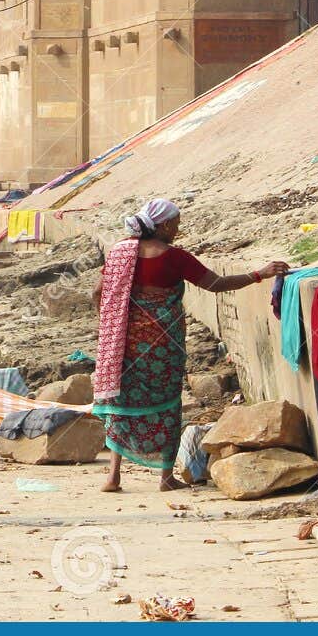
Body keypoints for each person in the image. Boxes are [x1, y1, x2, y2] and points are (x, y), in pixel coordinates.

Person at [92, 198, 289, 493]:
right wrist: (260, 274)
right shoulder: (174, 257)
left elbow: (98, 293)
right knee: (169, 405)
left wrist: (111, 325)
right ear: (165, 225)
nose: (178, 229)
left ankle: (113, 476)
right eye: (176, 224)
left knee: (121, 404)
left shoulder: (121, 252)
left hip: (124, 345)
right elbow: (216, 284)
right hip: (163, 347)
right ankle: (165, 478)